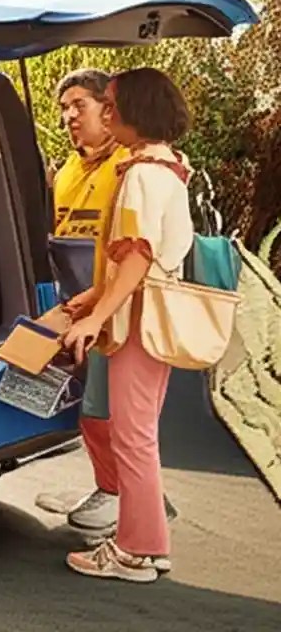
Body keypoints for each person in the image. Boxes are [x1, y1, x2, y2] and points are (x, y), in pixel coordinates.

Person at [60, 67, 196, 583]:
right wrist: (92, 298)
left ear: (138, 110)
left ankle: (137, 551)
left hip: (137, 320)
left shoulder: (140, 174)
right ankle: (146, 546)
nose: (105, 112)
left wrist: (96, 316)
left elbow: (136, 257)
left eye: (112, 104)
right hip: (153, 314)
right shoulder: (167, 166)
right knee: (137, 435)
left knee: (132, 438)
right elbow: (146, 257)